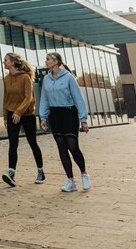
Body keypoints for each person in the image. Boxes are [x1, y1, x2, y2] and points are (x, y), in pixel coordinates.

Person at [38, 51, 90, 192]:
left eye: (48, 59)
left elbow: (78, 98)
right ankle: (71, 181)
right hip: (54, 115)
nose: (46, 61)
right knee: (61, 146)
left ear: (56, 61)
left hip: (69, 113)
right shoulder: (46, 79)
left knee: (72, 145)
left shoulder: (68, 77)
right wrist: (43, 117)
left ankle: (84, 174)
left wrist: (83, 119)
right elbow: (44, 99)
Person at [0, 53, 44, 187]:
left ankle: (41, 172)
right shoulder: (6, 79)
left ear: (12, 62)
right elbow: (6, 98)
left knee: (32, 143)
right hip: (12, 114)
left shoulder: (25, 77)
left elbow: (28, 98)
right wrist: (5, 116)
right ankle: (11, 174)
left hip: (27, 115)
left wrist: (19, 111)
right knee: (13, 143)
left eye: (6, 60)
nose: (4, 62)